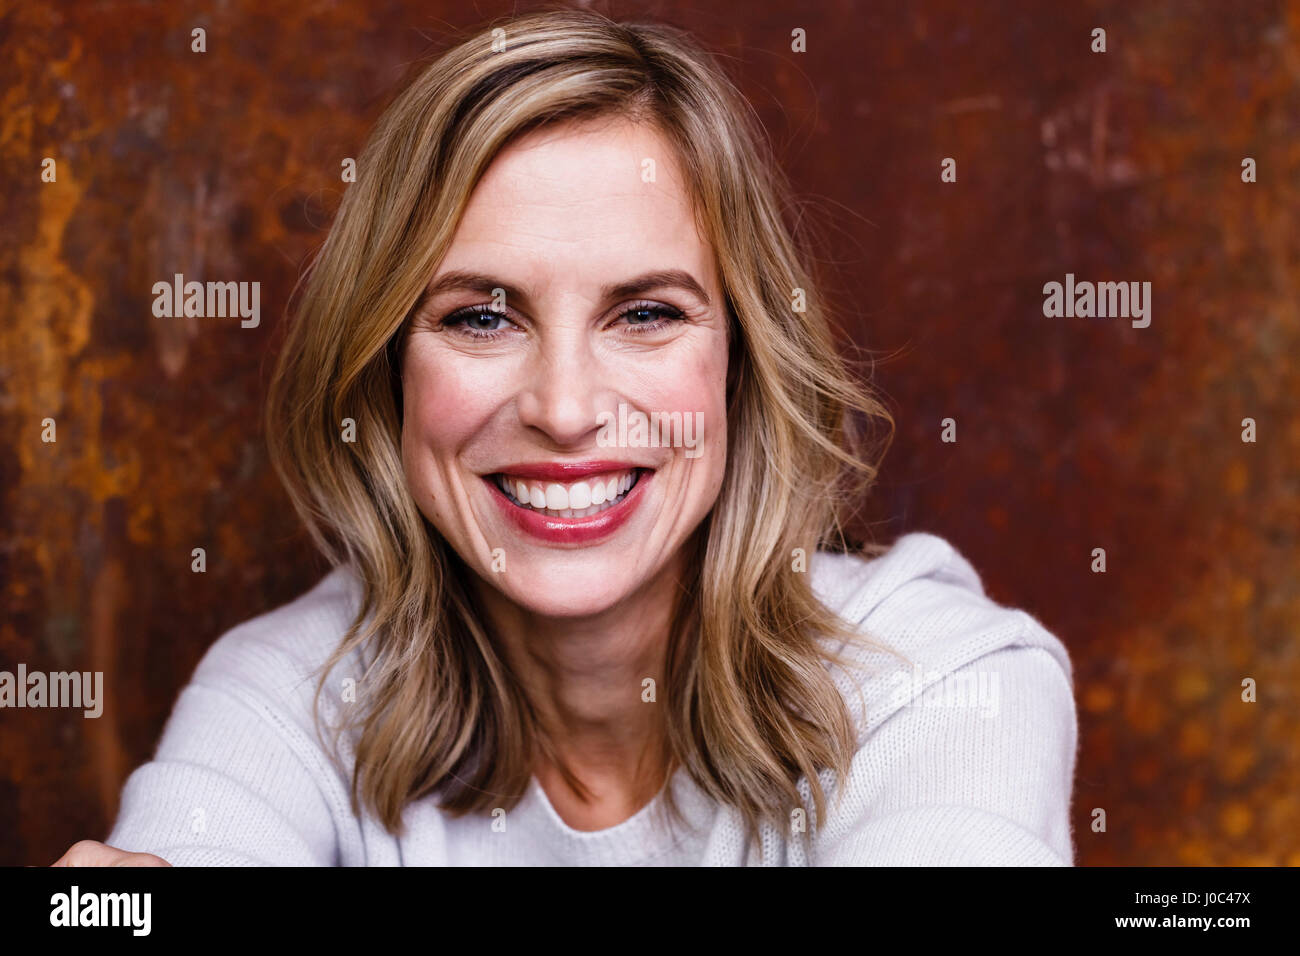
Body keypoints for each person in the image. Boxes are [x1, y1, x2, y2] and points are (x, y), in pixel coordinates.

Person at [54, 8, 1077, 867]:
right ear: (386, 373)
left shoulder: (947, 678)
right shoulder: (292, 689)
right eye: (480, 317)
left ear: (741, 361)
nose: (566, 407)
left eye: (645, 313)